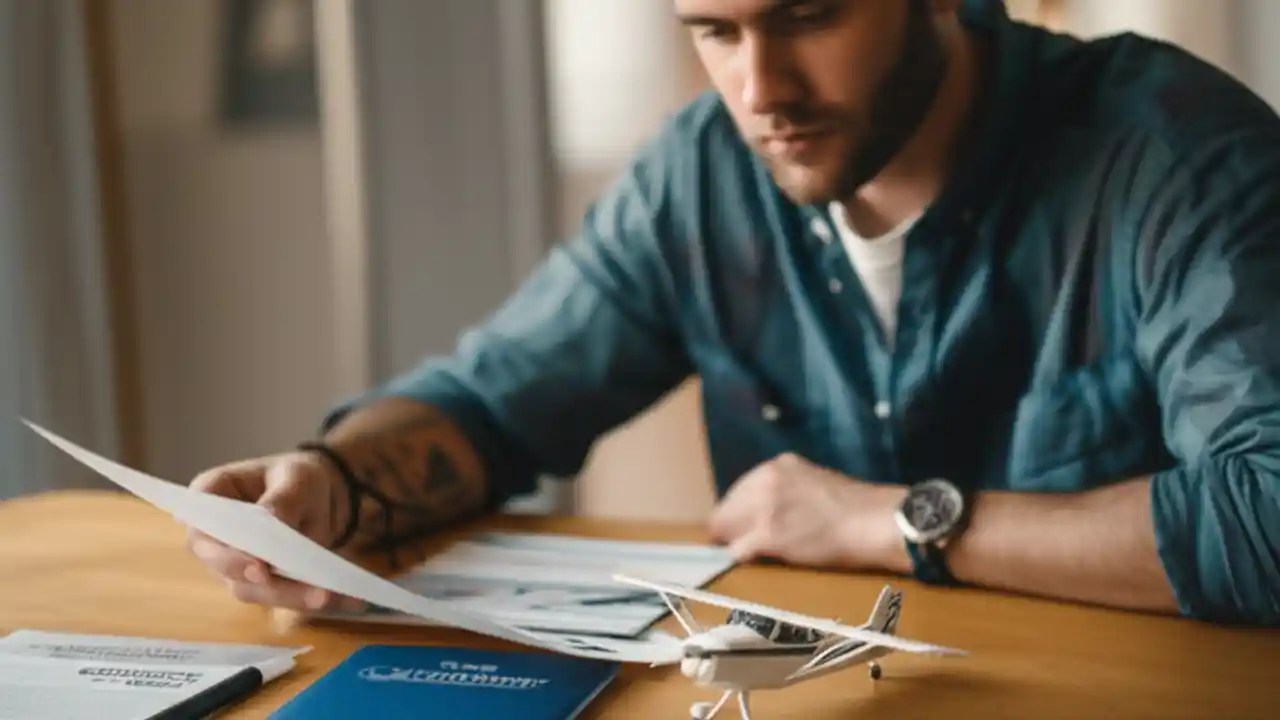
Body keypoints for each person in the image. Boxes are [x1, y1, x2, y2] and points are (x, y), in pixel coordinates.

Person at [186, 0, 1280, 624]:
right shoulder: (702, 176)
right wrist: (331, 482)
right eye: (714, 28)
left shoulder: (1170, 152)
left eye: (805, 14)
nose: (760, 90)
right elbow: (491, 402)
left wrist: (885, 518)